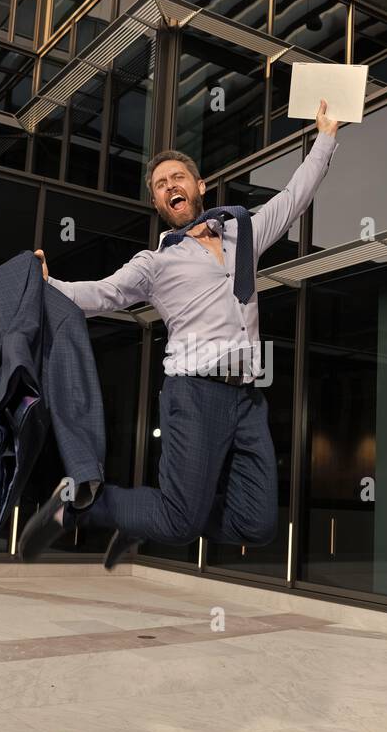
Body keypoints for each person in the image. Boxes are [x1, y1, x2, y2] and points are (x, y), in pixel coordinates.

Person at [19, 99, 341, 568]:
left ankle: (144, 519)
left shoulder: (243, 235)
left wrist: (327, 136)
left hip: (248, 398)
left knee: (258, 524)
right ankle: (80, 506)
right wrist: (48, 287)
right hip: (194, 394)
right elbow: (102, 295)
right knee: (178, 521)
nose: (171, 185)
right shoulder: (157, 262)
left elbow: (294, 197)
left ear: (199, 186)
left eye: (178, 177)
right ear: (157, 204)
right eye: (160, 185)